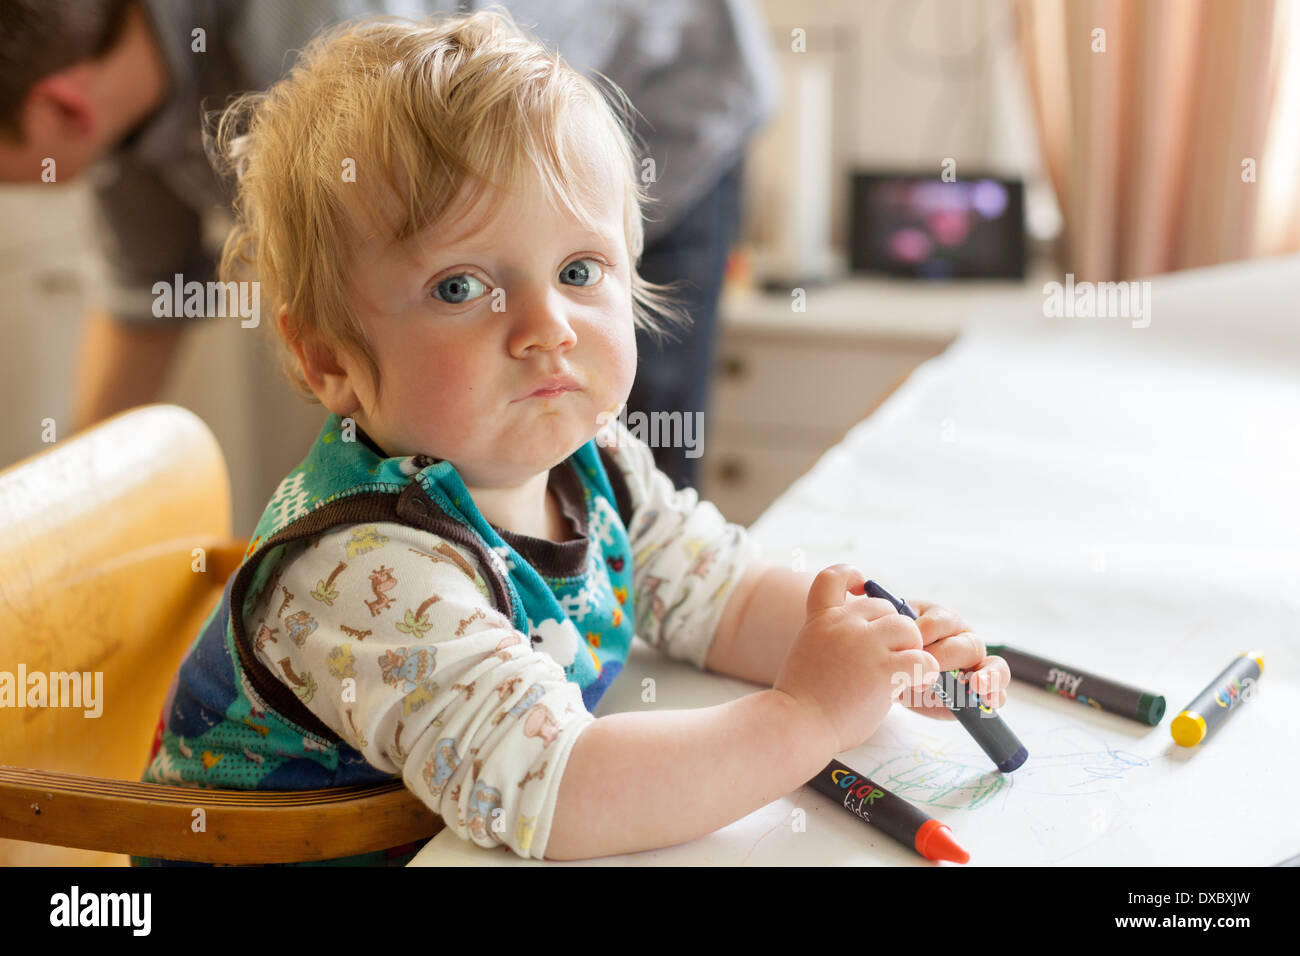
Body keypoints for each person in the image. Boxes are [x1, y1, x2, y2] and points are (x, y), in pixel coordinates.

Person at [131, 9, 1010, 865]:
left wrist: (871, 653)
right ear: (330, 360)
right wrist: (808, 717)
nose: (547, 327)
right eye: (460, 287)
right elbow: (560, 792)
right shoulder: (366, 572)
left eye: (579, 270)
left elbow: (726, 600)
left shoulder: (594, 466)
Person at [0, 0, 777, 490]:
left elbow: (408, 342)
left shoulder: (328, 43)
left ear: (58, 110)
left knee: (596, 451)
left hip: (675, 84)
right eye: (457, 288)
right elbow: (148, 308)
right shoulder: (121, 141)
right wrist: (55, 517)